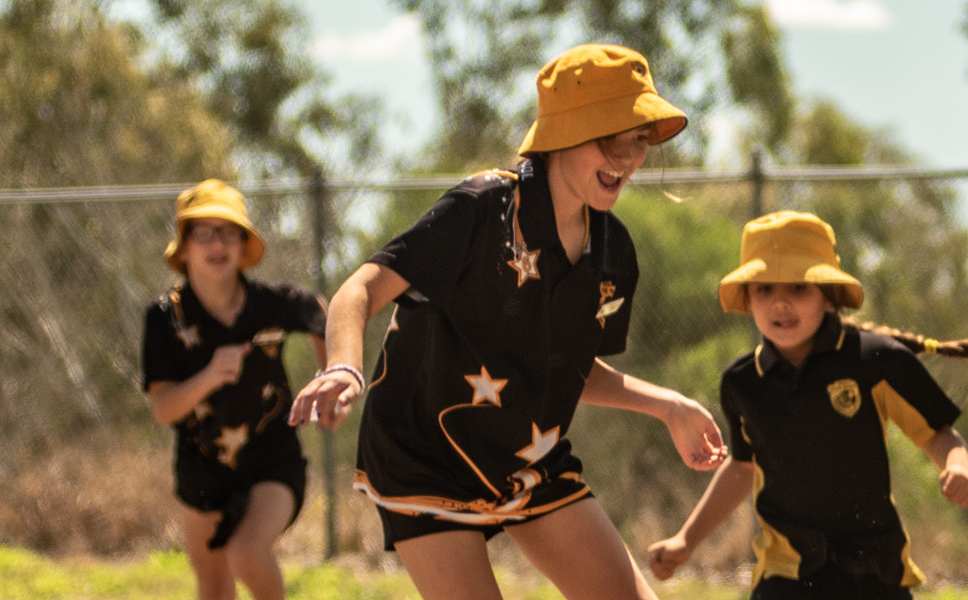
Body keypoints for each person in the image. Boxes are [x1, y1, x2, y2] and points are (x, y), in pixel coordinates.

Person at [287, 44, 728, 600]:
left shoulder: (613, 252)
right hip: (426, 456)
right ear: (561, 135)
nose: (628, 156)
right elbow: (362, 287)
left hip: (527, 455)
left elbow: (568, 367)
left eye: (639, 138)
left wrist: (667, 405)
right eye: (609, 137)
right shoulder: (483, 208)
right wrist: (344, 368)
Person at [644, 211, 968, 600]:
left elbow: (939, 434)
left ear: (828, 295)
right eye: (764, 289)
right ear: (747, 298)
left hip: (875, 570)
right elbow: (741, 467)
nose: (780, 302)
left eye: (798, 287)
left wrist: (957, 466)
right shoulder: (743, 382)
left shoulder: (875, 361)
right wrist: (686, 541)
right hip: (787, 573)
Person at [142, 179, 325, 600]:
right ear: (184, 247)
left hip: (273, 461)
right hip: (202, 468)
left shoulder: (272, 304)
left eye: (228, 231)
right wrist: (209, 375)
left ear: (244, 245)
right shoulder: (164, 318)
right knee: (214, 586)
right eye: (203, 232)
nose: (217, 243)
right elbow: (164, 409)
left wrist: (330, 376)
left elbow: (321, 314)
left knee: (246, 553)